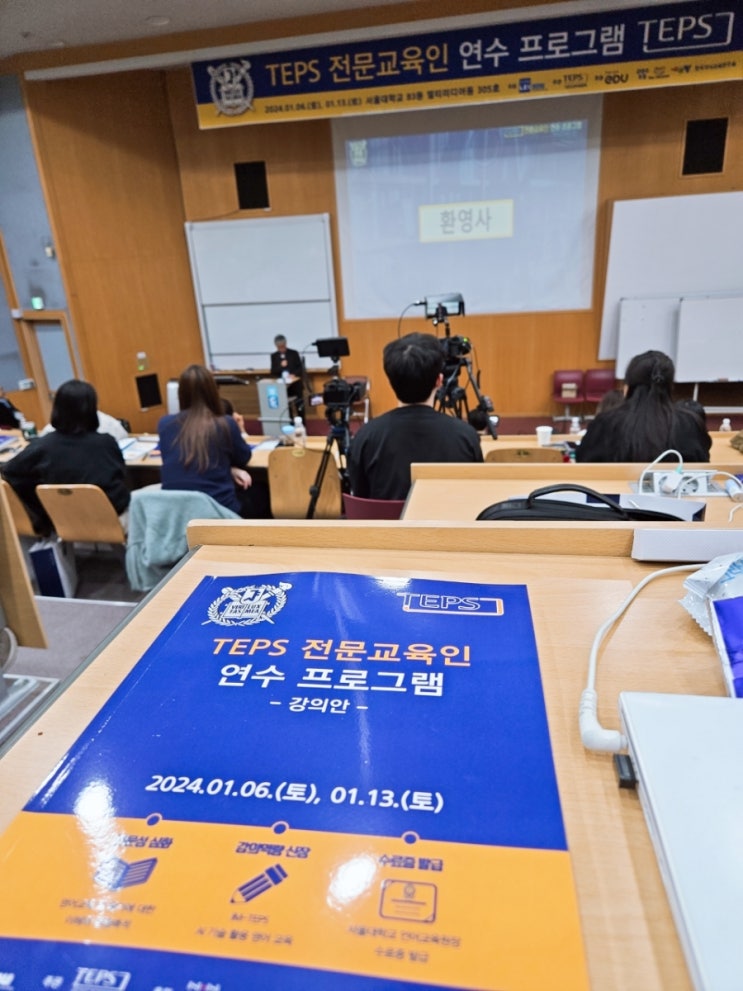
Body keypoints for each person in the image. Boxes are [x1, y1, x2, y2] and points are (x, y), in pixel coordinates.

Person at [349, 332, 483, 500]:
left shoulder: (365, 437)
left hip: (387, 526)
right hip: (447, 525)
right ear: (439, 381)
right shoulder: (466, 436)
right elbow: (475, 496)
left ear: (391, 382)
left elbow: (362, 502)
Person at [0, 379, 130, 535]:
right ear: (91, 409)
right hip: (111, 518)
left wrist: (41, 500)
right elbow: (122, 474)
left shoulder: (43, 445)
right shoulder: (106, 442)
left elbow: (9, 471)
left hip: (63, 520)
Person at [158, 364, 270, 517]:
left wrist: (229, 469)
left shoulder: (165, 424)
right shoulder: (225, 423)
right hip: (218, 510)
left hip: (178, 513)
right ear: (213, 391)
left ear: (181, 393)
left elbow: (179, 462)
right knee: (262, 491)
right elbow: (244, 457)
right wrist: (241, 433)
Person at [576, 350, 711, 463]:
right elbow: (702, 465)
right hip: (677, 494)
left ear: (628, 386)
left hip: (611, 494)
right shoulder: (690, 422)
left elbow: (584, 463)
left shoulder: (605, 422)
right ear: (670, 386)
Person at [270, 334, 305, 420]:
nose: (281, 349)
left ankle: (303, 424)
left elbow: (300, 368)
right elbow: (273, 371)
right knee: (286, 407)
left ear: (286, 344)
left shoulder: (293, 353)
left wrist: (293, 374)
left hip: (295, 384)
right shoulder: (274, 356)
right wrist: (281, 366)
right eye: (279, 347)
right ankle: (290, 423)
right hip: (283, 386)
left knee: (299, 406)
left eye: (283, 346)